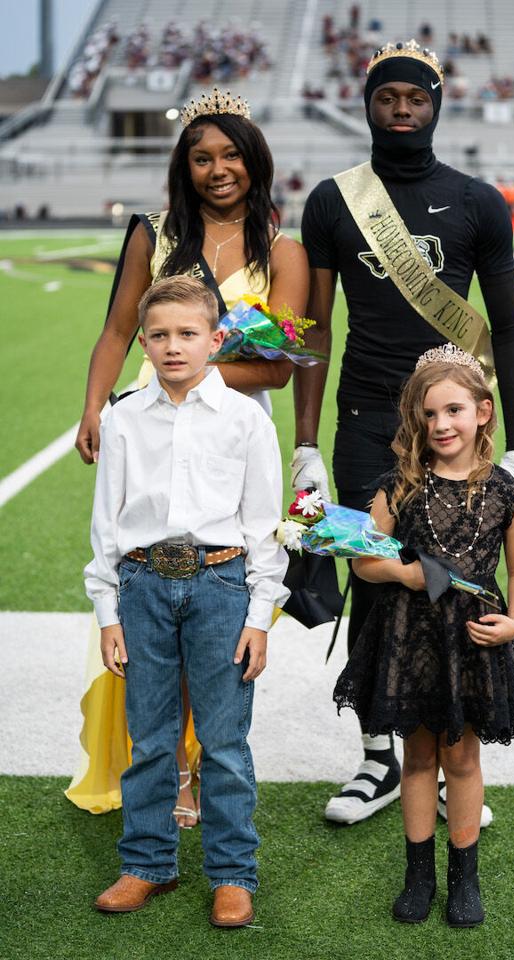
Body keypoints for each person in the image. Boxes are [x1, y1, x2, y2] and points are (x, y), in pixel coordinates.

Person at [293, 40, 514, 825]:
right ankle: (379, 762)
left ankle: (451, 752)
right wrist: (303, 440)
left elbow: (509, 335)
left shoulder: (477, 201)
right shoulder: (333, 200)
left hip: (451, 427)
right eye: (388, 97)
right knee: (373, 580)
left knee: (454, 582)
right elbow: (316, 331)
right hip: (366, 424)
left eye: (416, 99)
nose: (402, 110)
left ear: (436, 105)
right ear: (368, 104)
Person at [68, 88, 308, 825]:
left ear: (254, 159)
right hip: (149, 425)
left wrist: (188, 371)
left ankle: (209, 764)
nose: (218, 169)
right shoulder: (156, 232)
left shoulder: (286, 251)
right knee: (148, 591)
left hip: (229, 434)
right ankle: (168, 769)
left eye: (231, 153)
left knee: (219, 608)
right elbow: (118, 329)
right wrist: (94, 405)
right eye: (201, 157)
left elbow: (278, 365)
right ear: (185, 166)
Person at [86, 275, 288, 924]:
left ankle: (233, 873)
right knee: (150, 736)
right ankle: (147, 864)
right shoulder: (121, 418)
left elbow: (263, 527)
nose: (174, 347)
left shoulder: (245, 420)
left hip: (221, 587)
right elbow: (106, 524)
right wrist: (108, 612)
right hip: (143, 587)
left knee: (225, 741)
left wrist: (260, 617)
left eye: (188, 334)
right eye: (161, 335)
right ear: (144, 342)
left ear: (216, 340)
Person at [333, 345, 514, 926]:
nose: (442, 424)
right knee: (419, 756)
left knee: (464, 760)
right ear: (417, 420)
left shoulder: (504, 493)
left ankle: (464, 876)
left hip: (473, 640)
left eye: (454, 410)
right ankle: (418, 873)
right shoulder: (399, 484)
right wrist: (405, 571)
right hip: (410, 639)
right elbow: (364, 562)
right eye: (430, 414)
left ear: (482, 413)